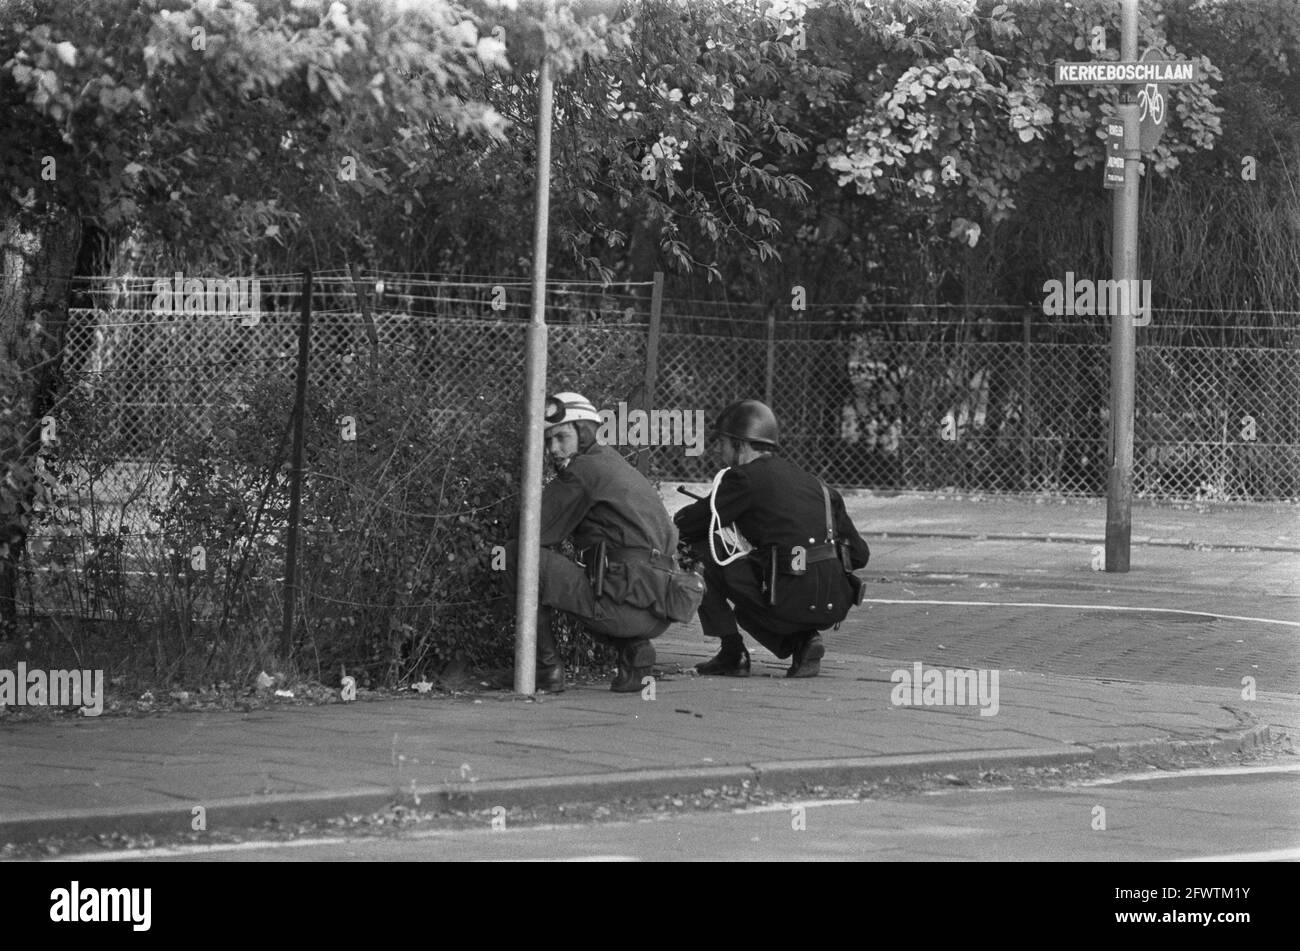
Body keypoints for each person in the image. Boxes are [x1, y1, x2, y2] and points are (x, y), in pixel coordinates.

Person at [503, 392, 702, 693]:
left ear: (584, 432)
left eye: (561, 437)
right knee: (590, 579)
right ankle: (634, 650)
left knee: (514, 555)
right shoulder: (613, 462)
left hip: (623, 607)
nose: (553, 449)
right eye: (547, 440)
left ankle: (544, 670)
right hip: (657, 609)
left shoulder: (583, 470)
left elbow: (531, 531)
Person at [673, 400, 870, 678]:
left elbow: (689, 524)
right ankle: (804, 641)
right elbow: (860, 555)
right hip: (833, 604)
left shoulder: (741, 479)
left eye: (722, 442)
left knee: (696, 552)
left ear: (740, 444)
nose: (718, 450)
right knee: (756, 599)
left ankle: (732, 653)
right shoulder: (817, 485)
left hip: (786, 599)